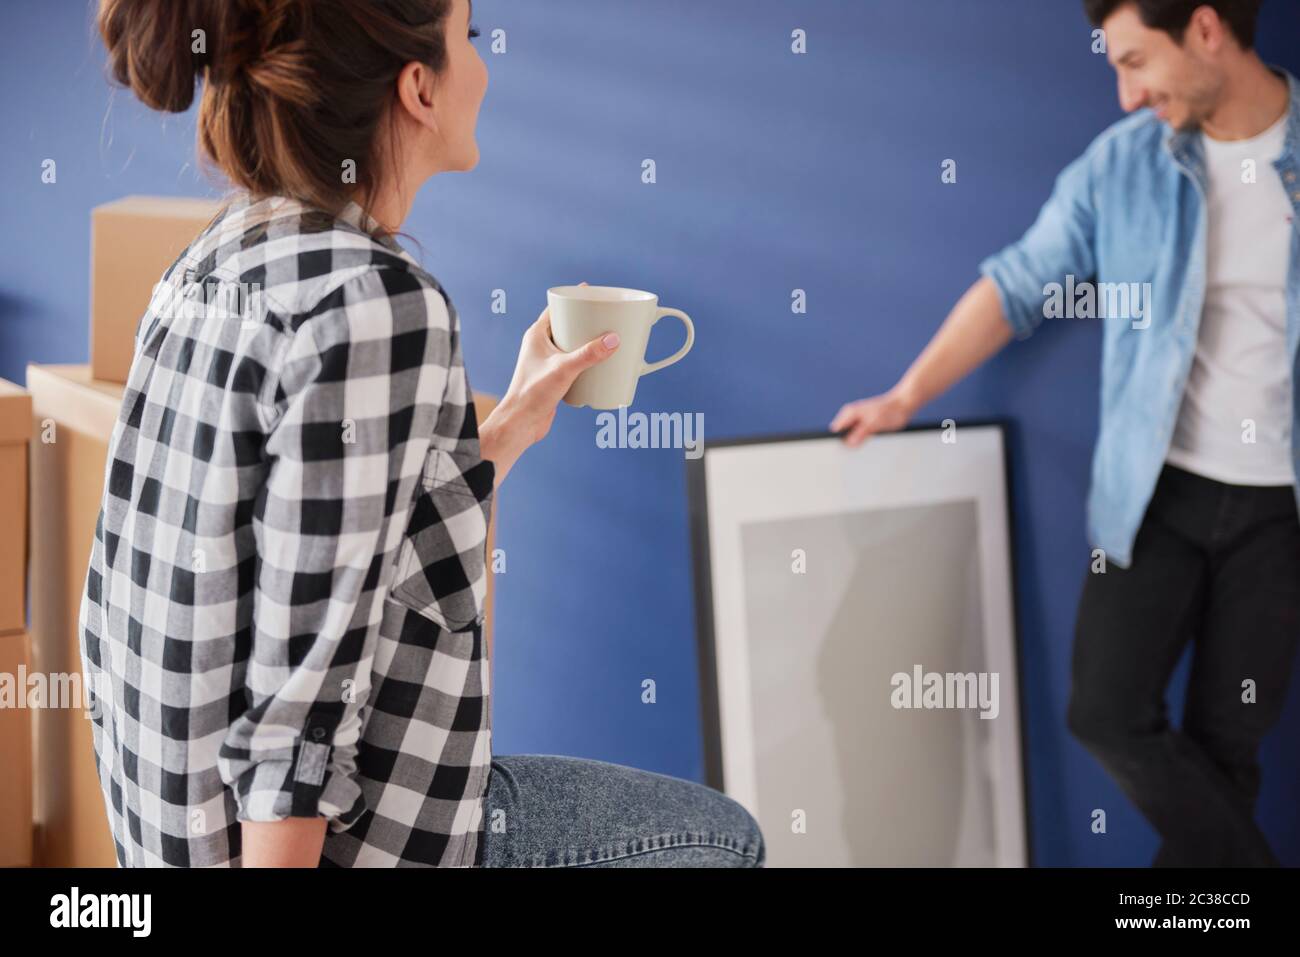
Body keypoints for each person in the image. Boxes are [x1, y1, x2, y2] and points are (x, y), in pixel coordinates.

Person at [81, 0, 765, 868]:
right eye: (468, 40)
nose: (482, 66)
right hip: (360, 845)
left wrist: (514, 419)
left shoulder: (216, 258)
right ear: (419, 89)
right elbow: (298, 720)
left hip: (166, 844)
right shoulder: (377, 305)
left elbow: (352, 557)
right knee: (721, 841)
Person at [831, 0, 1299, 867]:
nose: (1124, 95)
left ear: (1205, 30)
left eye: (1133, 62)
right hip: (1155, 492)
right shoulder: (1124, 166)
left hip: (1281, 517)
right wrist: (905, 396)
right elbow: (1017, 284)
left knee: (1227, 753)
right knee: (1105, 711)